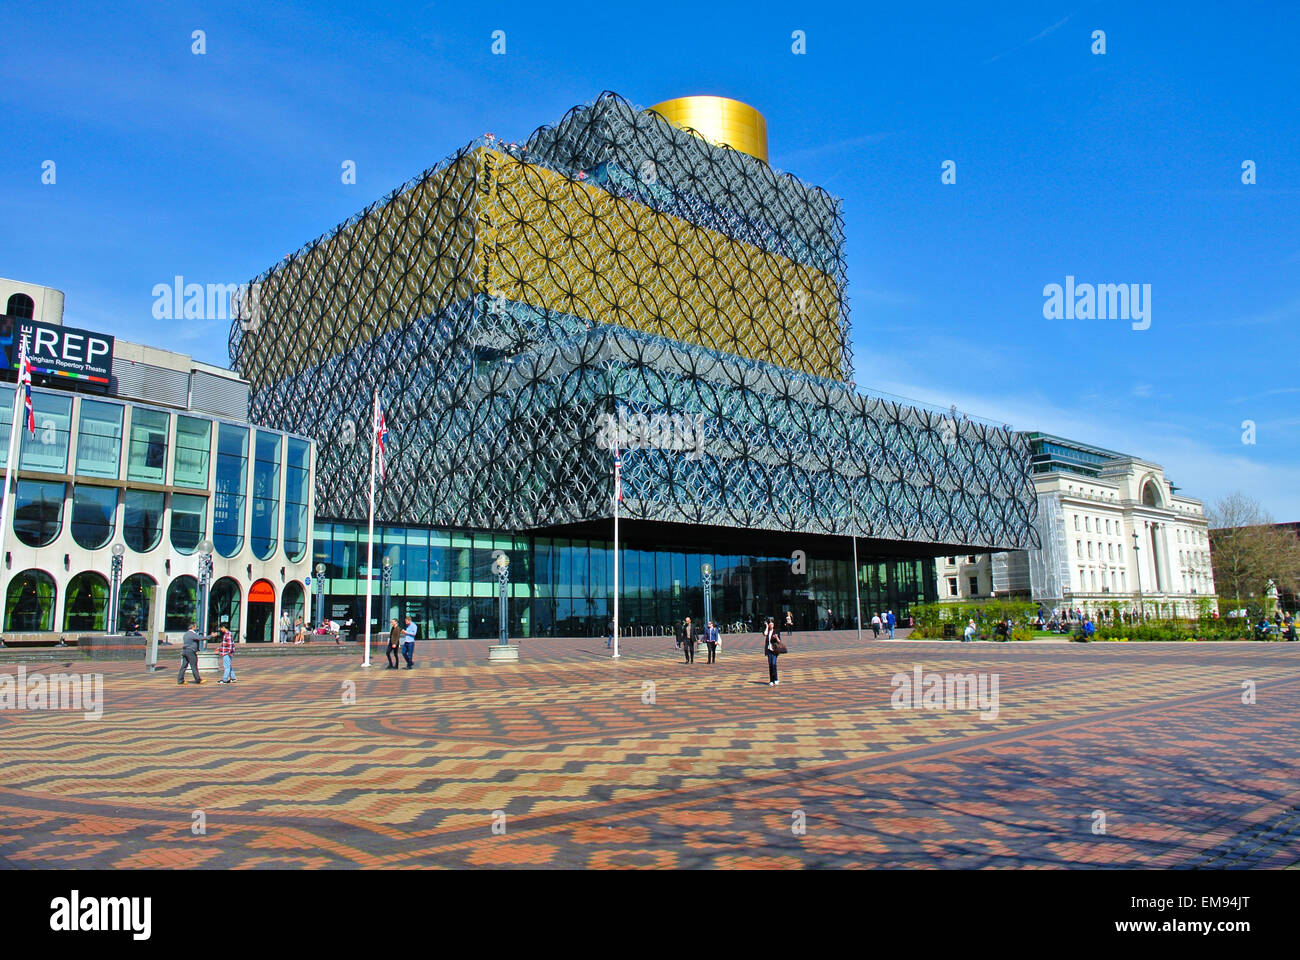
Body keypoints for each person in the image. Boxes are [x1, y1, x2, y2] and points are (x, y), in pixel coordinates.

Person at [763, 617, 782, 686]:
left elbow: (779, 641)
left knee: (773, 664)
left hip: (774, 650)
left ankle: (776, 679)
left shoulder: (776, 631)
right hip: (768, 650)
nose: (771, 625)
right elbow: (764, 634)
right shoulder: (767, 632)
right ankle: (771, 680)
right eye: (770, 623)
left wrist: (776, 638)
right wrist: (767, 627)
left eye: (772, 623)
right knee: (770, 665)